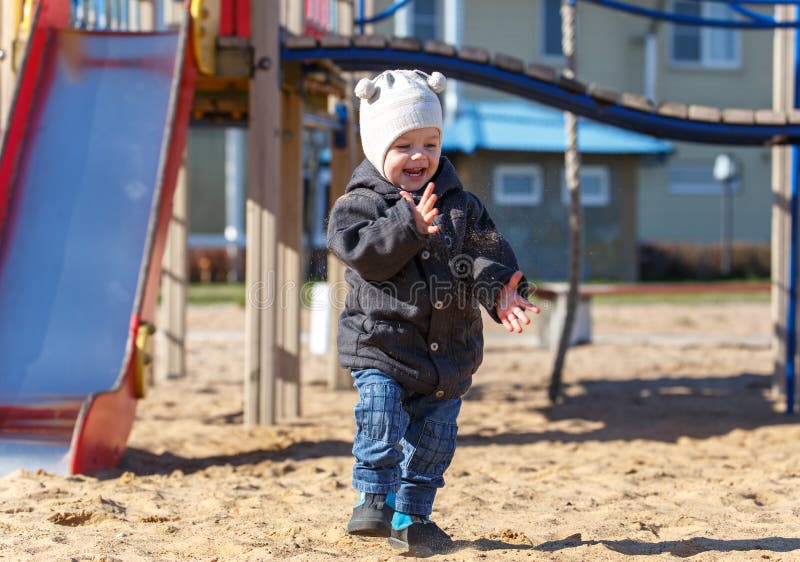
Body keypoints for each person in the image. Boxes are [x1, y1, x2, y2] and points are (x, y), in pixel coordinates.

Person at [326, 69, 538, 556]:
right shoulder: (358, 205)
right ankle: (374, 498)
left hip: (448, 353)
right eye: (404, 145)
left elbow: (484, 253)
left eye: (431, 142)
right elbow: (362, 253)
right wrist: (408, 224)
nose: (420, 156)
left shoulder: (462, 207)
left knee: (434, 442)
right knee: (380, 415)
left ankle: (412, 515)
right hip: (382, 345)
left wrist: (502, 290)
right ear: (378, 148)